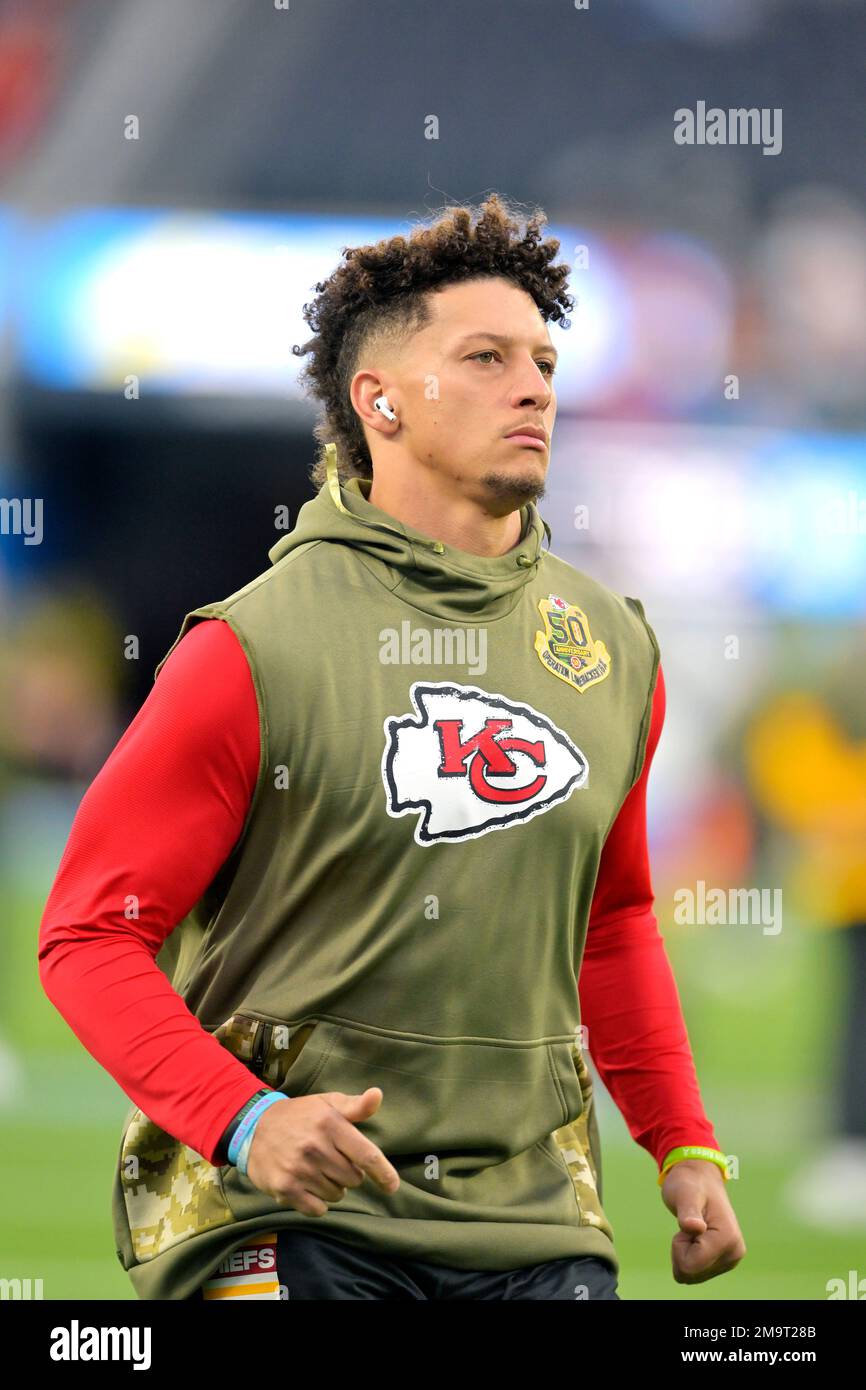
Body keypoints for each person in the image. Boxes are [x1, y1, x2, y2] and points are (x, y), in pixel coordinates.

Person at [38, 193, 745, 1300]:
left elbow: (609, 923)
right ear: (380, 400)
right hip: (276, 1211)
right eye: (483, 357)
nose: (533, 386)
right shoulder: (251, 648)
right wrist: (244, 1117)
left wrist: (682, 1142)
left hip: (534, 1228)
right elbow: (86, 935)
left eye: (543, 361)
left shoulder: (612, 647)